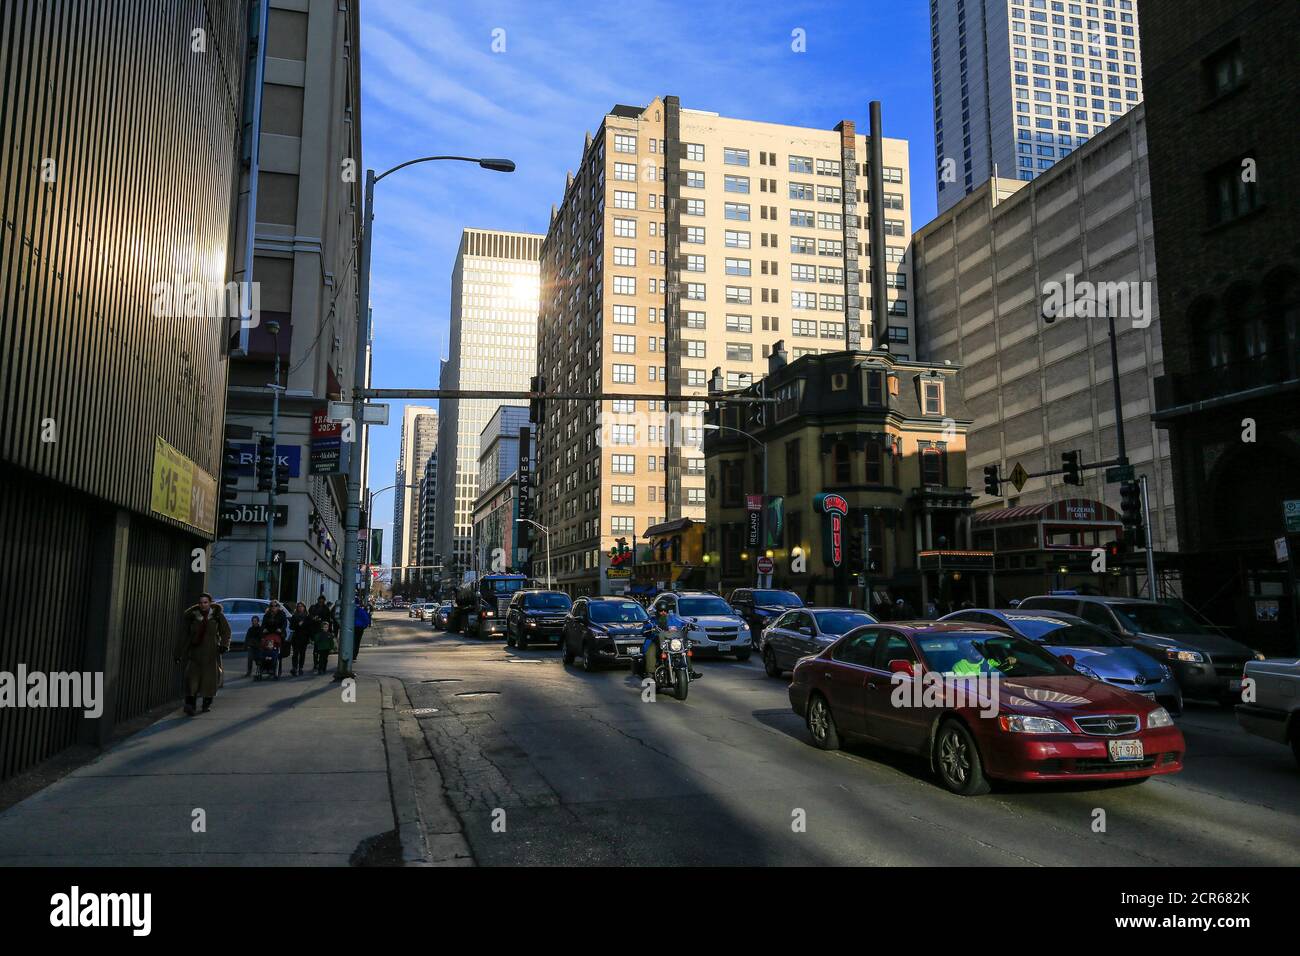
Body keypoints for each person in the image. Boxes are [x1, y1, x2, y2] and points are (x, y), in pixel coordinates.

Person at [176, 593, 231, 715]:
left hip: (211, 653)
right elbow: (184, 636)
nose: (203, 605)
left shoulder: (217, 616)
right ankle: (190, 705)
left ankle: (207, 703)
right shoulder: (192, 616)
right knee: (191, 680)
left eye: (205, 602)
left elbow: (226, 631)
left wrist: (224, 645)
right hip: (195, 653)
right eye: (201, 602)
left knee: (209, 680)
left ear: (210, 603)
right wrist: (179, 653)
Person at [289, 601, 312, 676]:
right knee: (295, 653)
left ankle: (301, 667)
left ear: (304, 607)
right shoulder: (294, 616)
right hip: (296, 636)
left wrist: (309, 637)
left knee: (302, 653)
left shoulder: (307, 616)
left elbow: (309, 627)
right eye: (299, 606)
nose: (300, 608)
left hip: (304, 637)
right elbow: (291, 627)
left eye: (301, 606)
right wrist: (297, 625)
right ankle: (294, 667)